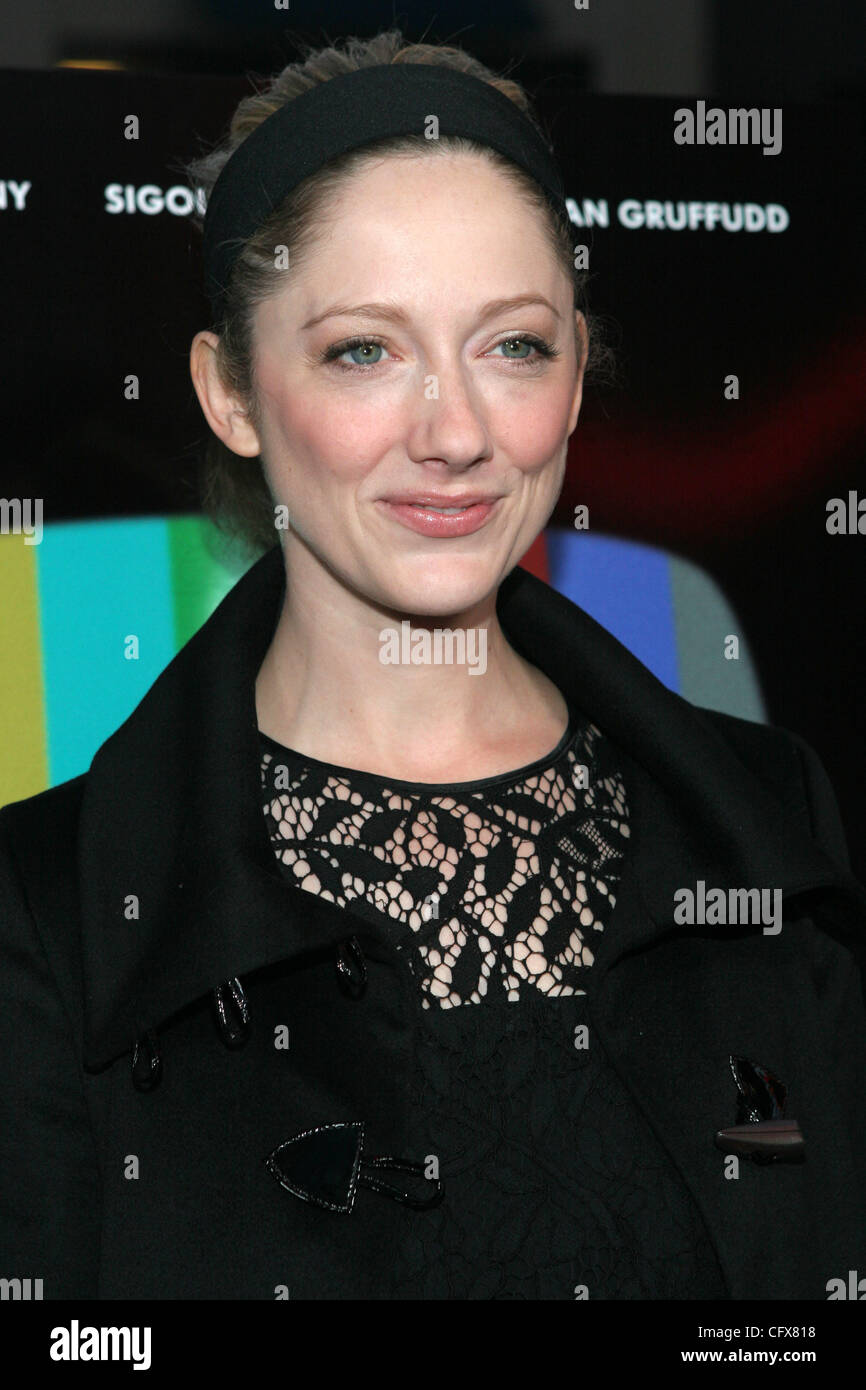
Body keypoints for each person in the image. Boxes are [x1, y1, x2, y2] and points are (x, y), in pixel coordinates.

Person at [2, 28, 866, 1302]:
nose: (454, 432)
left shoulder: (765, 820)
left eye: (512, 345)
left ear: (574, 378)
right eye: (364, 350)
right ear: (230, 391)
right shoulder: (52, 914)